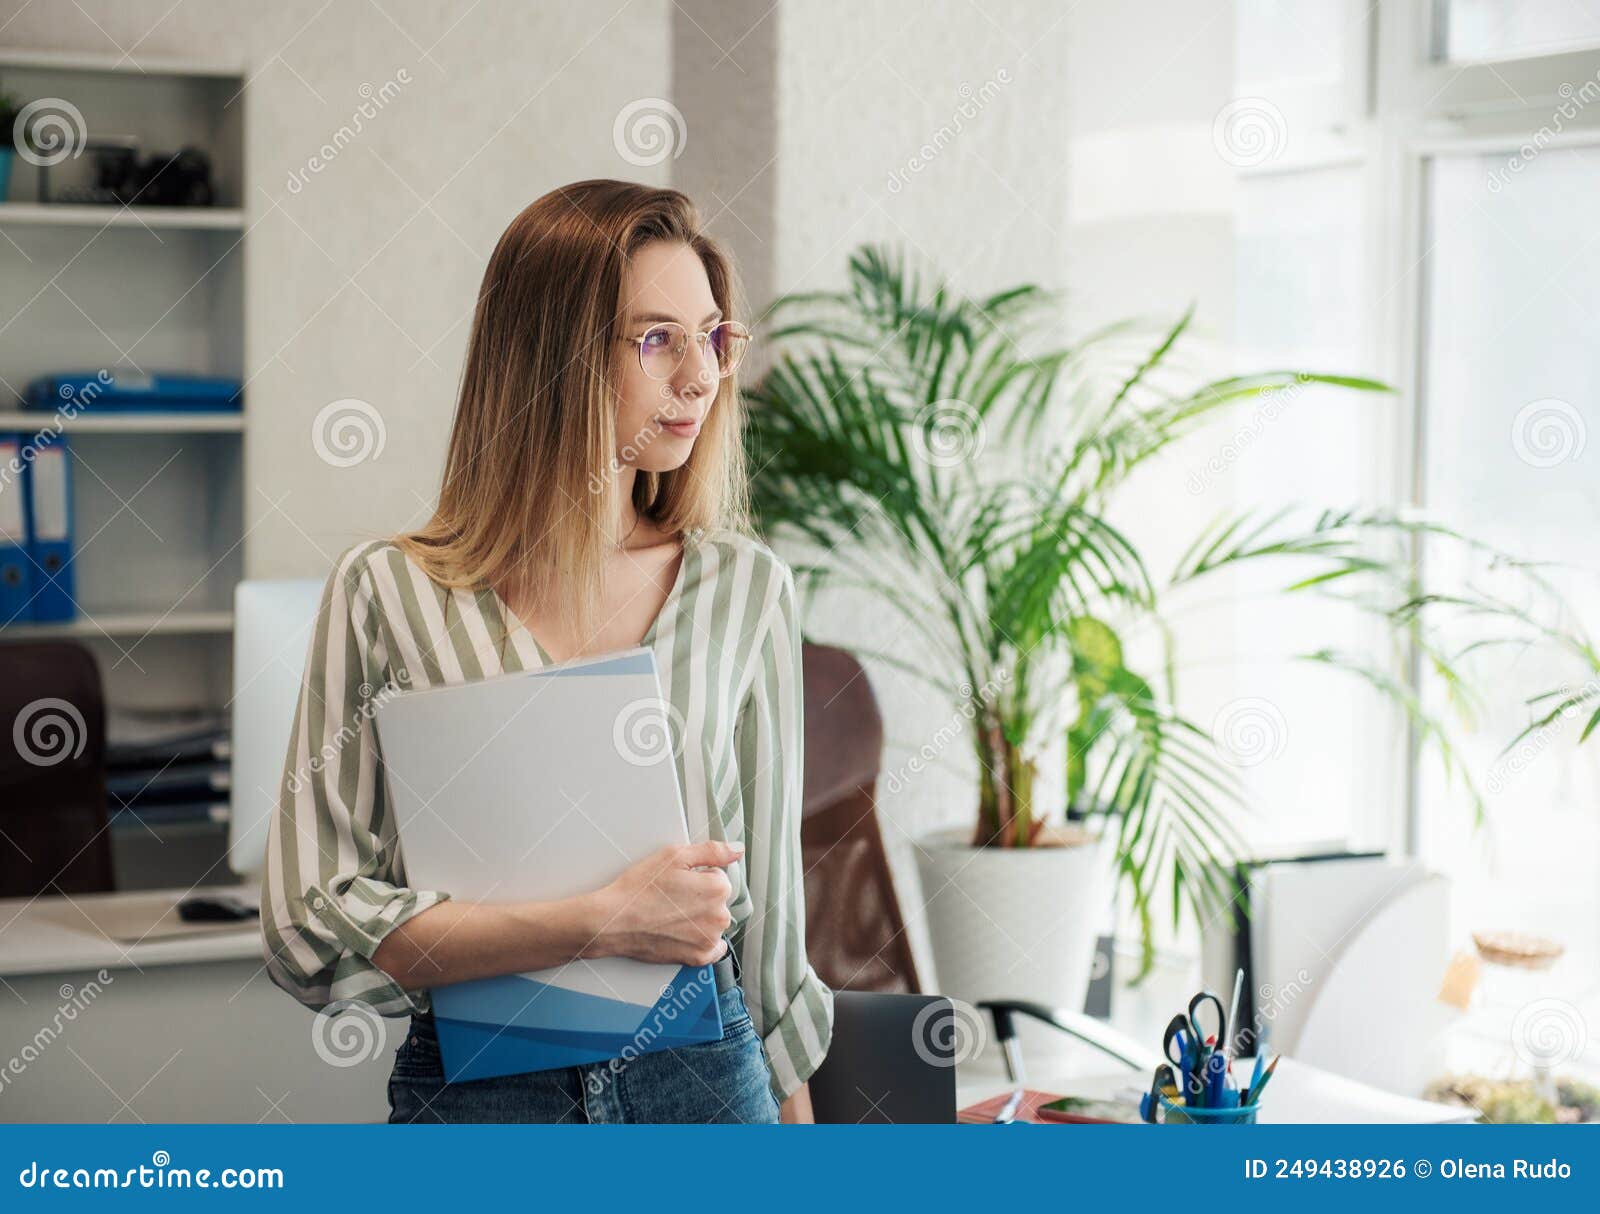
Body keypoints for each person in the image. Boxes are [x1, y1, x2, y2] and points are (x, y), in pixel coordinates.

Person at [260, 179, 832, 1123]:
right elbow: (309, 916)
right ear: (551, 359)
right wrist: (600, 923)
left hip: (704, 1085)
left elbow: (770, 941)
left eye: (712, 338)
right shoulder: (386, 593)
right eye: (658, 339)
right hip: (484, 1101)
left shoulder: (746, 588)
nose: (701, 377)